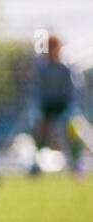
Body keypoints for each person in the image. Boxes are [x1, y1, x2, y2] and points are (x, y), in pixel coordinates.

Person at [32, 34, 86, 177]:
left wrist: (71, 108)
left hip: (64, 104)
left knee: (72, 130)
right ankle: (36, 164)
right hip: (48, 104)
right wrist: (39, 108)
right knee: (40, 129)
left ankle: (77, 165)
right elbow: (38, 89)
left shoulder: (66, 67)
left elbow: (74, 88)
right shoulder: (43, 67)